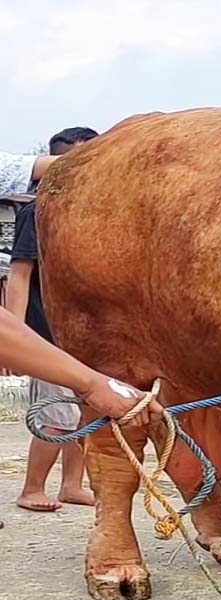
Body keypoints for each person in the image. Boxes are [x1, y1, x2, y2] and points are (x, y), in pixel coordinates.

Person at [7, 127, 100, 511]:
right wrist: (14, 341)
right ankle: (32, 488)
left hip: (83, 337)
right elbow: (19, 275)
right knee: (55, 416)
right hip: (47, 336)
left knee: (87, 416)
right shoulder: (38, 209)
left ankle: (72, 485)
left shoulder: (91, 215)